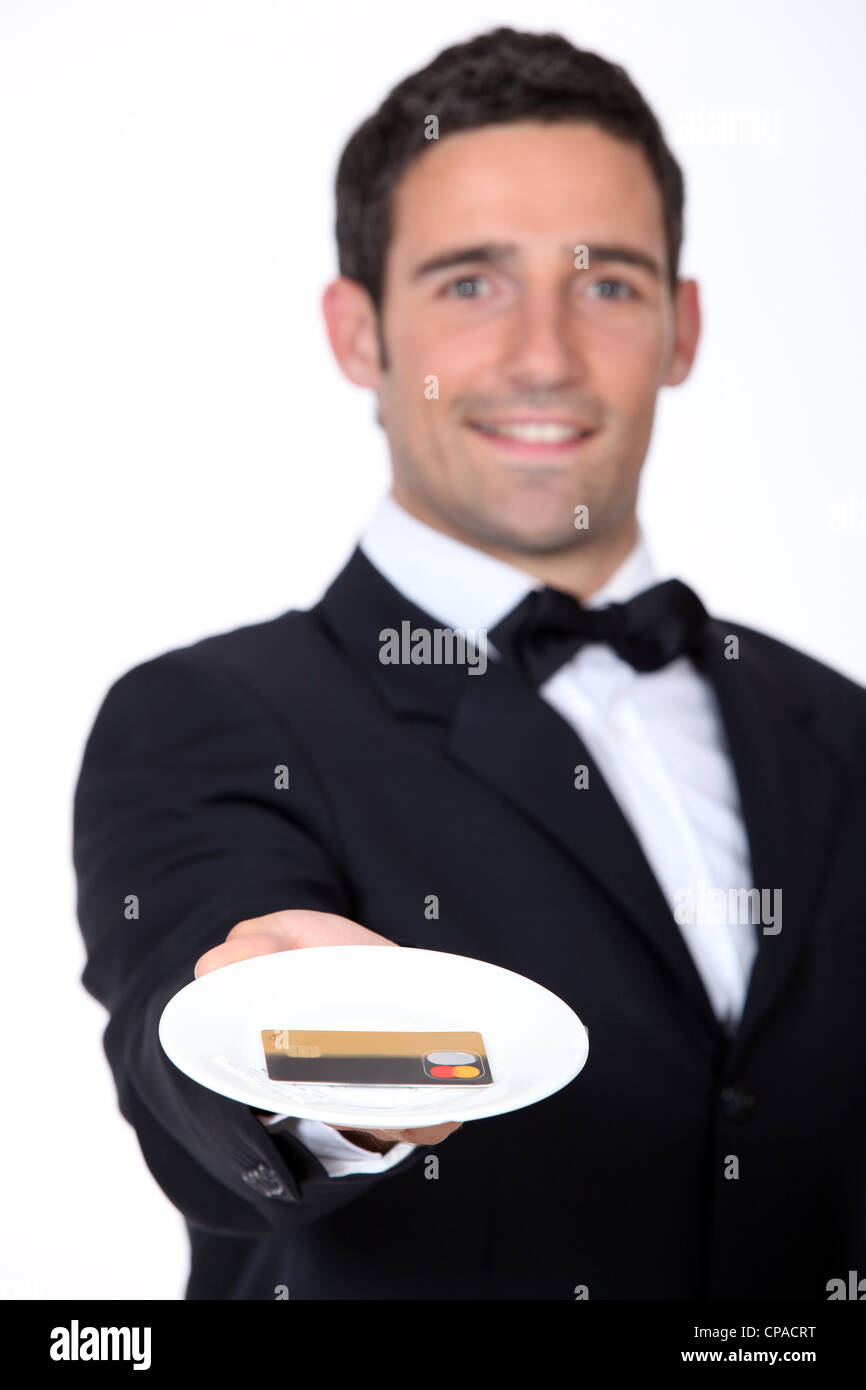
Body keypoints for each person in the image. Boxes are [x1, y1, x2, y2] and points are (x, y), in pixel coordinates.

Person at [73, 26, 866, 1300]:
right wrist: (301, 1056)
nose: (543, 355)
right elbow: (201, 1082)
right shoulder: (211, 714)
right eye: (469, 283)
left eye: (605, 282)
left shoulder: (838, 725)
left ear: (681, 326)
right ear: (357, 335)